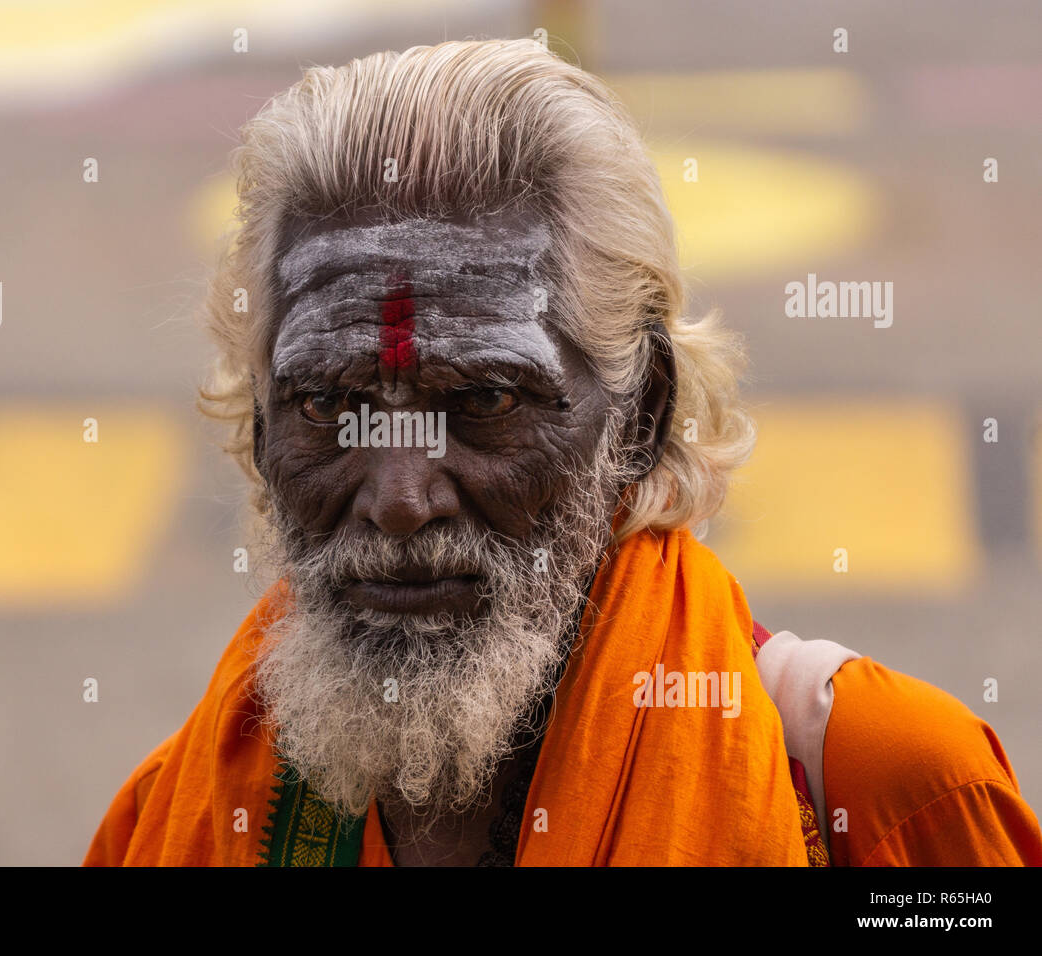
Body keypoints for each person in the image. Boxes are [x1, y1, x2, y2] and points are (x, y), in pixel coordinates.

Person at [85, 38, 1041, 866]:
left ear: (643, 414)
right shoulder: (176, 822)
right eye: (329, 403)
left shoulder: (887, 795)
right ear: (258, 426)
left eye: (487, 399)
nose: (403, 497)